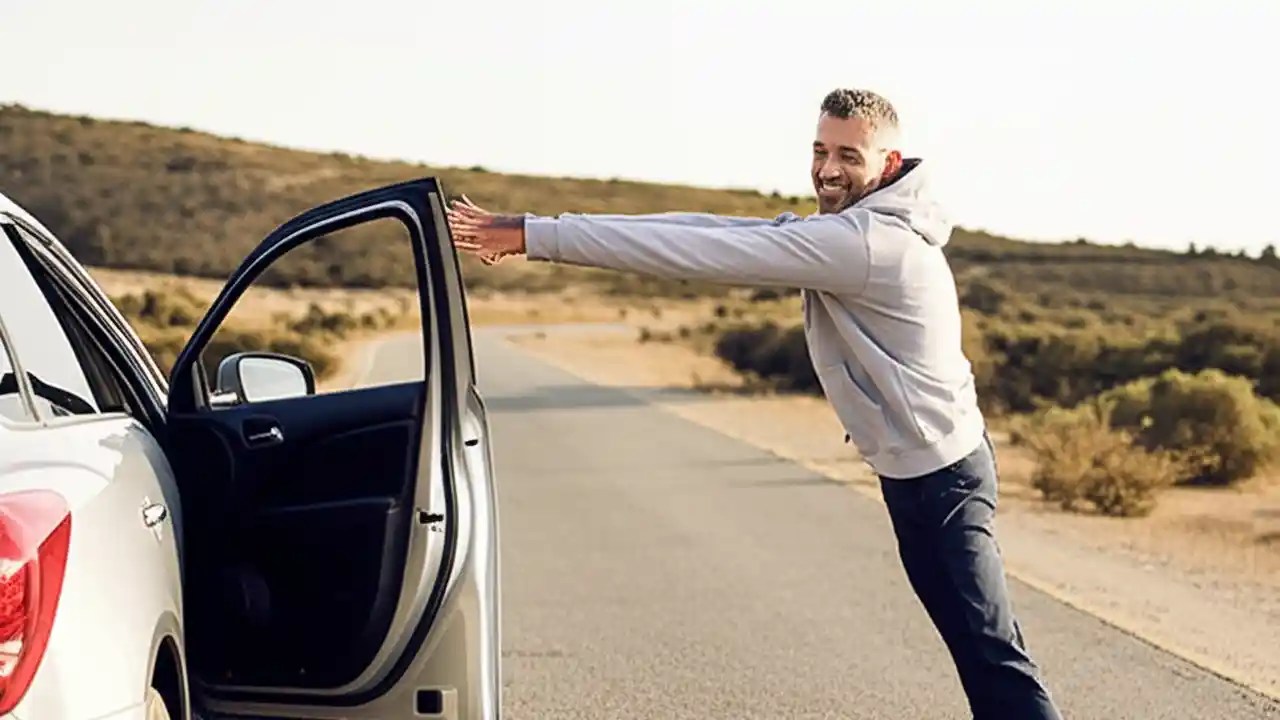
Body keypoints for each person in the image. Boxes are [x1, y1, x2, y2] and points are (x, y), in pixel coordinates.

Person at [447, 87, 1064, 720]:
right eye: (820, 150)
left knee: (994, 660)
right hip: (925, 473)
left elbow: (702, 252)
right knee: (982, 659)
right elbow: (708, 229)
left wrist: (532, 235)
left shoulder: (867, 245)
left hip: (942, 480)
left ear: (889, 161)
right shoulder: (854, 230)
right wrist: (539, 230)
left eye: (849, 156)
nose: (827, 169)